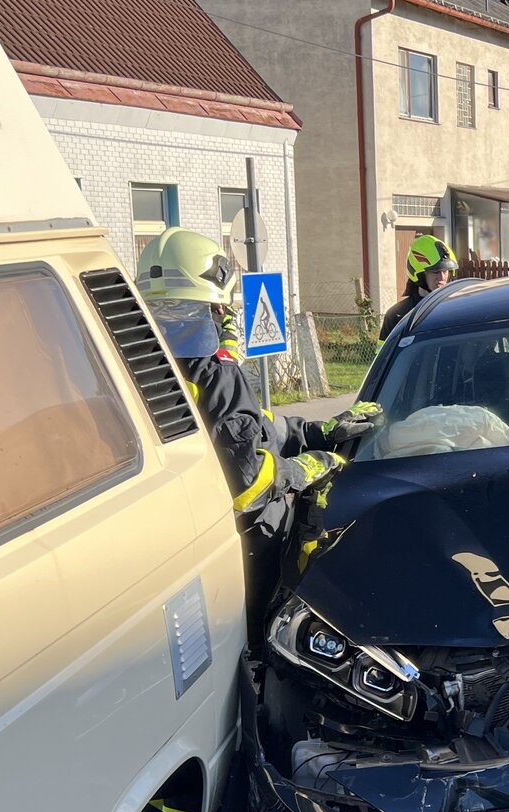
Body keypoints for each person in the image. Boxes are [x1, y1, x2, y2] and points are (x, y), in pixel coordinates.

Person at [136, 228, 380, 624]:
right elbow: (249, 485)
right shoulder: (214, 374)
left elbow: (253, 426)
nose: (227, 318)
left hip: (182, 544)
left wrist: (315, 432)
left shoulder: (141, 371)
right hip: (247, 545)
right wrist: (303, 469)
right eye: (223, 309)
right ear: (212, 309)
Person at [380, 234, 459, 340]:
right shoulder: (397, 316)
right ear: (419, 275)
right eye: (435, 272)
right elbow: (384, 355)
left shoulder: (458, 310)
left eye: (445, 271)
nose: (442, 277)